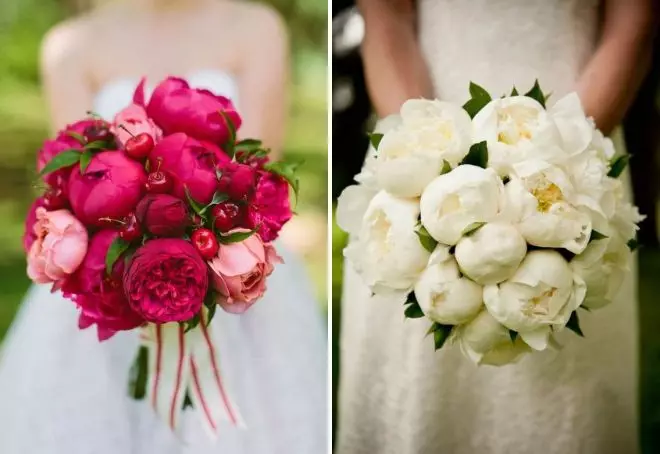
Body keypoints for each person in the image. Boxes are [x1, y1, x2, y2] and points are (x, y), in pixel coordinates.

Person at [0, 1, 327, 453]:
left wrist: (195, 239)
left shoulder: (256, 27)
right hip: (111, 268)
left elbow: (258, 169)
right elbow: (76, 180)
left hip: (231, 259)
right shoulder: (70, 46)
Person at [337, 1, 654, 453]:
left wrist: (561, 161)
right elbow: (388, 21)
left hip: (582, 142)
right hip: (423, 136)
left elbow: (633, 23)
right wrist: (431, 178)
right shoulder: (423, 163)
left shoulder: (574, 157)